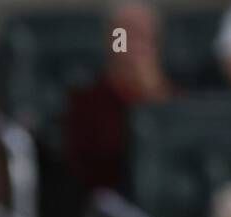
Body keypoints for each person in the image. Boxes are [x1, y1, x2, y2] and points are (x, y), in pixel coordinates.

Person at [64, 2, 173, 194]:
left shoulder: (171, 94)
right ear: (111, 38)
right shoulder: (88, 99)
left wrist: (155, 93)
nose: (136, 42)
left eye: (144, 35)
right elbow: (100, 163)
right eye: (126, 33)